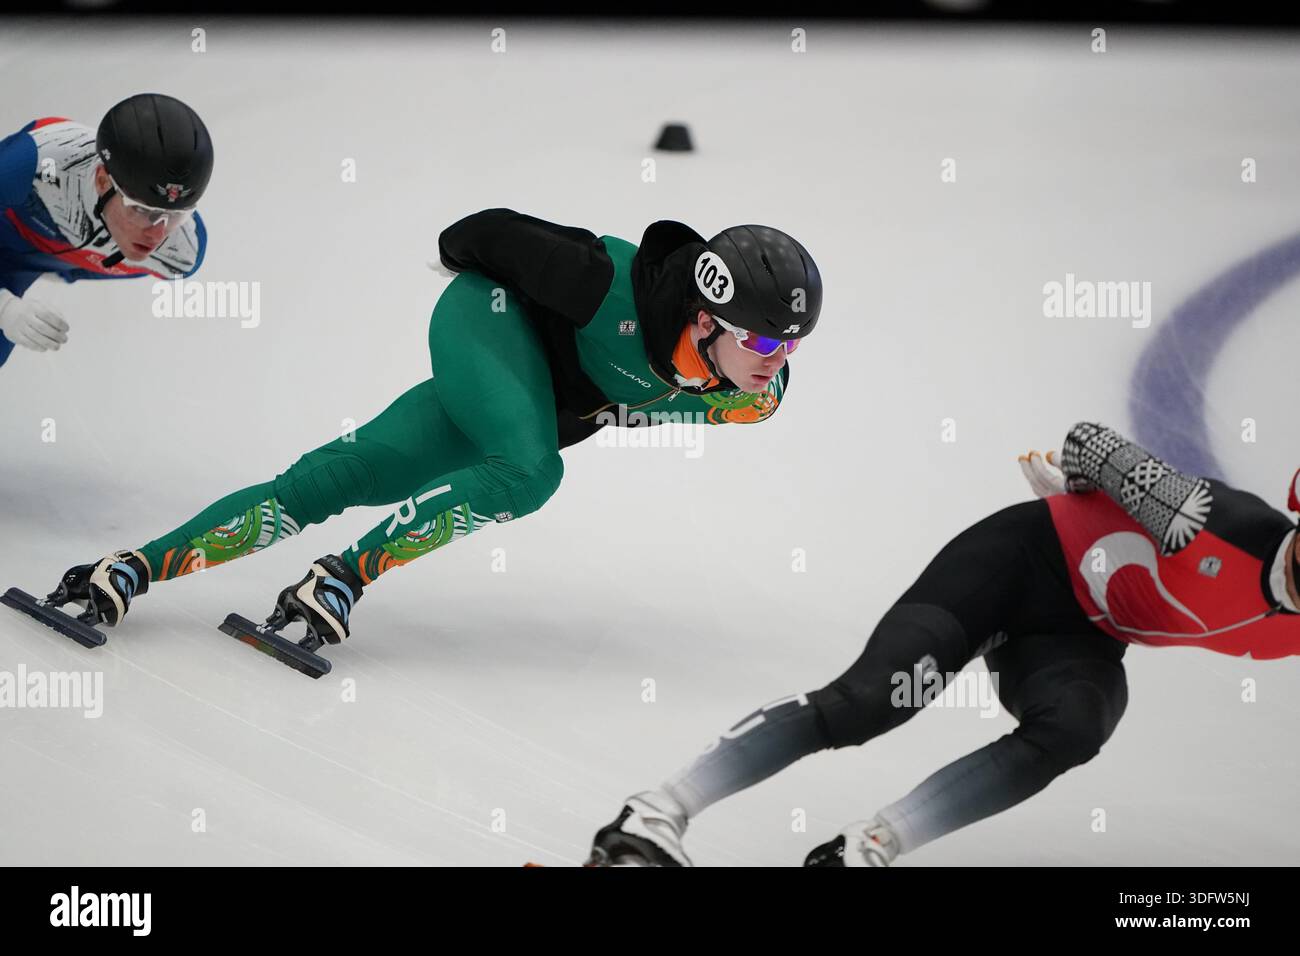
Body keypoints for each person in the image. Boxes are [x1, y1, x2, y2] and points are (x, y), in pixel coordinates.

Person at [36, 209, 822, 656]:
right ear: (705, 314)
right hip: (485, 322)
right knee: (530, 471)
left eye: (787, 346)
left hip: (528, 396)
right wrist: (466, 268)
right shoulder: (600, 282)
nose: (772, 362)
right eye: (760, 342)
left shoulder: (751, 393)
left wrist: (579, 406)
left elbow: (649, 399)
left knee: (340, 477)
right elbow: (477, 232)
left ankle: (127, 568)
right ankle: (343, 577)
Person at [585, 422, 1300, 866]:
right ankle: (655, 811)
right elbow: (1089, 439)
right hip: (1021, 559)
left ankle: (868, 847)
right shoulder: (1208, 521)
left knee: (1077, 725)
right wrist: (1090, 488)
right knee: (872, 701)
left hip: (1079, 631)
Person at [0, 92, 211, 368]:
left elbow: (87, 265)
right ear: (102, 181)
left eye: (176, 217)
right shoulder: (34, 162)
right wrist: (3, 306)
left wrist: (65, 272)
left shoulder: (180, 253)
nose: (157, 235)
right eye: (142, 210)